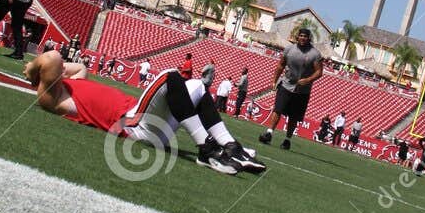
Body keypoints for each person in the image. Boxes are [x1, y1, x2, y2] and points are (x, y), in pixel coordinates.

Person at [25, 51, 265, 175]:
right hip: (134, 125)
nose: (62, 69)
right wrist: (32, 68)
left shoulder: (73, 83)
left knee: (198, 86)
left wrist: (54, 70)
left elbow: (78, 67)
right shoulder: (55, 99)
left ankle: (231, 147)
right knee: (170, 76)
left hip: (150, 123)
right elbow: (52, 58)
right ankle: (207, 150)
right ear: (45, 77)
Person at [259, 28, 323, 150]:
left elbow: (319, 72)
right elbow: (281, 65)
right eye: (301, 35)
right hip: (286, 84)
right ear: (297, 37)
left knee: (294, 117)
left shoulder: (315, 54)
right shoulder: (289, 49)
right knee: (277, 110)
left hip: (302, 91)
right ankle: (269, 133)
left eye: (305, 36)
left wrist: (308, 80)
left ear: (309, 38)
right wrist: (274, 80)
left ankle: (287, 140)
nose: (303, 38)